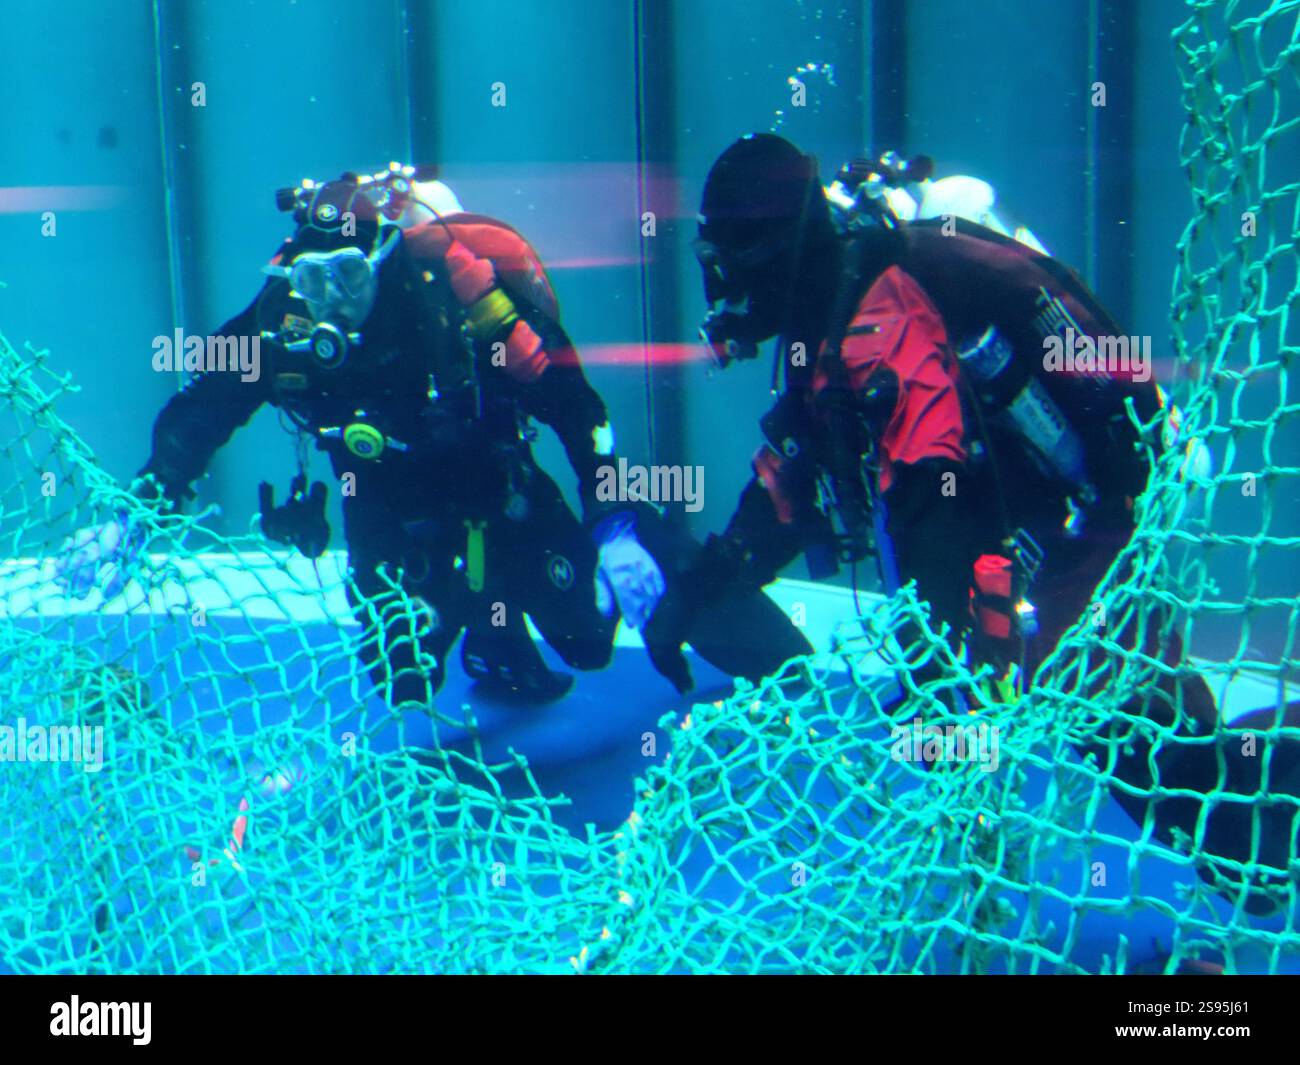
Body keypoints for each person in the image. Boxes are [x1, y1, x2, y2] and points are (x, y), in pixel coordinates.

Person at [644, 132, 1299, 912]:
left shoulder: (884, 309)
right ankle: (1242, 837)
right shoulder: (834, 313)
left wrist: (946, 670)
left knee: (1156, 758)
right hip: (1036, 528)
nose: (724, 292)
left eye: (732, 260)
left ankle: (1249, 815)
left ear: (771, 250)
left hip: (1083, 522)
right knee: (1161, 769)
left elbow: (936, 491)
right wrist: (704, 584)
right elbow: (794, 470)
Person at [55, 164, 806, 706]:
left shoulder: (456, 303)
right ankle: (491, 638)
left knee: (587, 639)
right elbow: (202, 409)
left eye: (346, 278)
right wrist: (133, 514)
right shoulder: (281, 320)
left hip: (494, 485)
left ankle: (683, 597)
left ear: (382, 259)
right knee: (400, 671)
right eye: (312, 282)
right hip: (381, 498)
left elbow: (576, 407)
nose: (330, 307)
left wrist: (612, 525)